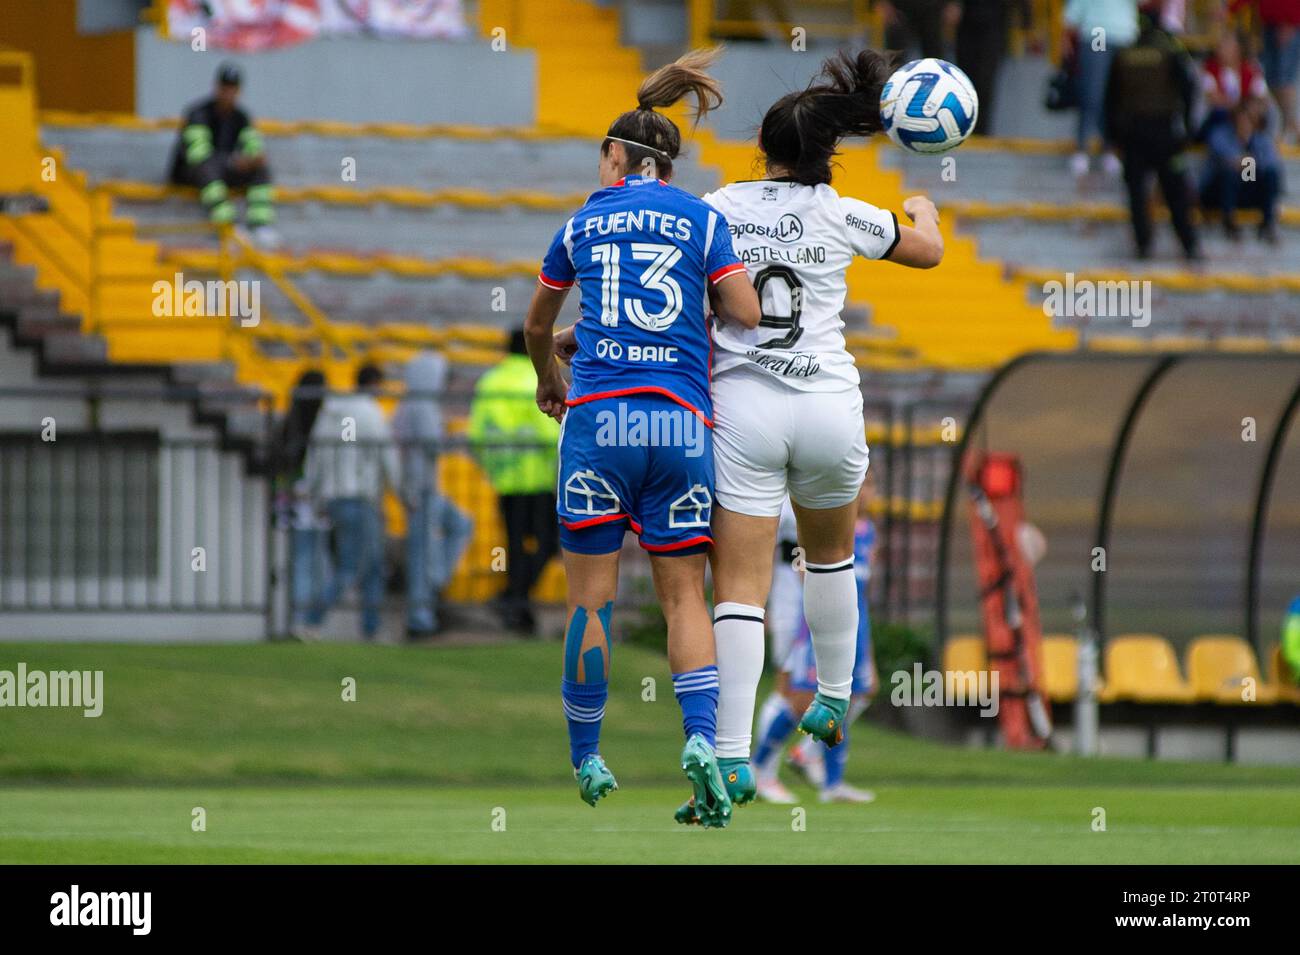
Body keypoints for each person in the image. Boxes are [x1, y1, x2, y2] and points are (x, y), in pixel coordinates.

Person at [674, 48, 944, 822]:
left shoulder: (718, 207)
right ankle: (829, 697)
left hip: (745, 408)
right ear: (827, 153)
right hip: (828, 402)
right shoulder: (839, 213)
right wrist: (921, 201)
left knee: (741, 595)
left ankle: (728, 756)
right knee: (832, 558)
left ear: (763, 148)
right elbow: (927, 249)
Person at [526, 48, 762, 826]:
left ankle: (587, 755)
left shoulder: (583, 220)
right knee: (684, 597)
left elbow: (535, 322)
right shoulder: (704, 217)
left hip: (599, 425)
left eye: (602, 154)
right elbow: (746, 312)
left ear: (620, 156)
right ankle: (700, 740)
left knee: (589, 603)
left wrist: (551, 374)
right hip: (680, 425)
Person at [753, 480, 880, 804]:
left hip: (854, 622)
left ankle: (825, 774)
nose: (867, 491)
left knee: (850, 693)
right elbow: (802, 568)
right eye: (863, 484)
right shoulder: (821, 512)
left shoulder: (868, 532)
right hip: (814, 614)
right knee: (799, 697)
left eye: (872, 485)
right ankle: (760, 767)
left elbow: (862, 591)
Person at [467, 329, 561, 635]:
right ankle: (514, 600)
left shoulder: (490, 381)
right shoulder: (534, 379)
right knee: (549, 543)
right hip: (535, 479)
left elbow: (477, 434)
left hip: (504, 480)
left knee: (515, 546)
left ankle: (515, 602)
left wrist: (494, 467)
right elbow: (551, 433)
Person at [302, 364, 399, 641]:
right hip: (361, 497)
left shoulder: (330, 413)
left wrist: (315, 493)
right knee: (354, 567)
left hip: (334, 498)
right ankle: (312, 621)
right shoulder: (371, 413)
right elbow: (387, 458)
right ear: (375, 384)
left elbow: (315, 455)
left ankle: (371, 628)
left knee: (371, 566)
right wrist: (402, 494)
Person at [1105, 13, 1202, 260]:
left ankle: (1143, 245)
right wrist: (1188, 128)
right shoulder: (1170, 51)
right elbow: (1189, 87)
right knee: (1175, 193)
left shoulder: (1124, 53)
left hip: (1132, 134)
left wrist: (1113, 137)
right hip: (1165, 133)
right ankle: (1189, 245)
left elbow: (1110, 99)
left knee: (1136, 194)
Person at [393, 351, 472, 639]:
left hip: (422, 487)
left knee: (458, 526)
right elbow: (432, 445)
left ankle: (434, 583)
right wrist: (459, 440)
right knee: (423, 551)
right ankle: (420, 615)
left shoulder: (410, 404)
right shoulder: (421, 405)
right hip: (421, 489)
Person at [168, 62, 278, 246]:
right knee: (207, 167)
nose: (228, 93)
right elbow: (197, 154)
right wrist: (233, 162)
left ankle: (260, 226)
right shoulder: (198, 113)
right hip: (190, 173)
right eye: (225, 87)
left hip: (221, 170)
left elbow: (254, 148)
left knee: (261, 169)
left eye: (233, 88)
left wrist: (252, 159)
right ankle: (228, 226)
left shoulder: (241, 117)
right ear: (217, 87)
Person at [1064, 0, 1140, 178]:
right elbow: (1073, 13)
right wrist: (1066, 36)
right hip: (1099, 33)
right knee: (1093, 92)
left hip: (1125, 36)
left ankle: (1112, 149)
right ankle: (1082, 148)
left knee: (1118, 98)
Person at [278, 369, 328, 632]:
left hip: (295, 501)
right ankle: (303, 621)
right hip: (309, 501)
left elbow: (282, 467)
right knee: (311, 561)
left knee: (305, 560)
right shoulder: (322, 424)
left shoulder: (291, 424)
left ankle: (301, 619)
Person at [1201, 97, 1283, 243]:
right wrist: (1246, 161)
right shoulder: (1220, 134)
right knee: (1229, 174)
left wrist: (1246, 161)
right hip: (1219, 192)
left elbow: (1267, 164)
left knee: (1270, 175)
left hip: (1246, 186)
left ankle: (1267, 223)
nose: (1244, 124)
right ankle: (1228, 221)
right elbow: (1226, 159)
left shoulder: (1261, 140)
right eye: (1241, 120)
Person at [1229, 0, 1300, 142]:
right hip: (1268, 23)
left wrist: (1290, 20)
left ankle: (1290, 126)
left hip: (1286, 23)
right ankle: (1291, 124)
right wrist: (1233, 8)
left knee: (1283, 78)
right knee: (1270, 78)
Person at [874, 0, 961, 59]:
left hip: (933, 9)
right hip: (898, 10)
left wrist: (953, 2)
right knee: (895, 60)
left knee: (935, 59)